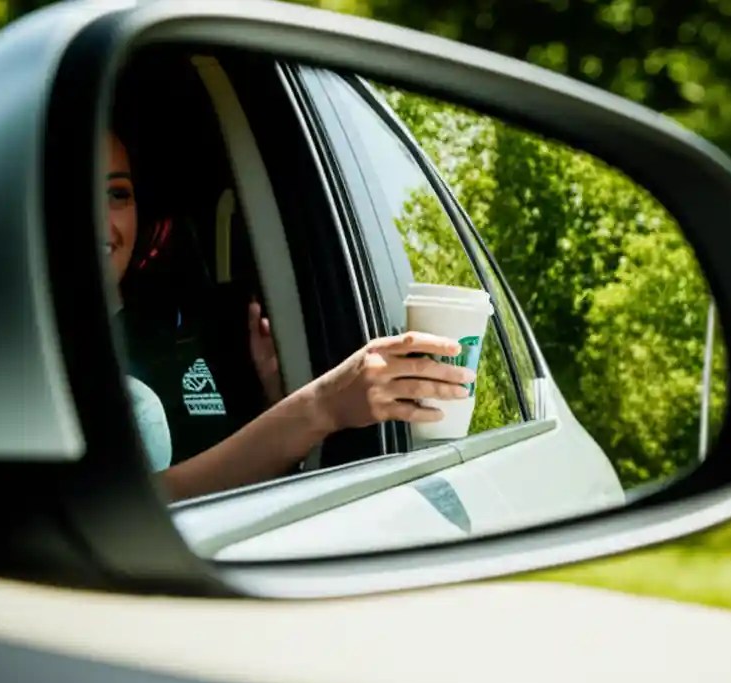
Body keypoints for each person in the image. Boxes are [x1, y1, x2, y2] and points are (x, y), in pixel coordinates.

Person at [104, 131, 474, 503]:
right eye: (67, 189)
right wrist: (323, 405)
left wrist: (275, 393)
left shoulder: (198, 332)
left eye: (116, 194)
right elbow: (127, 505)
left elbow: (244, 465)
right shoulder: (52, 358)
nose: (95, 216)